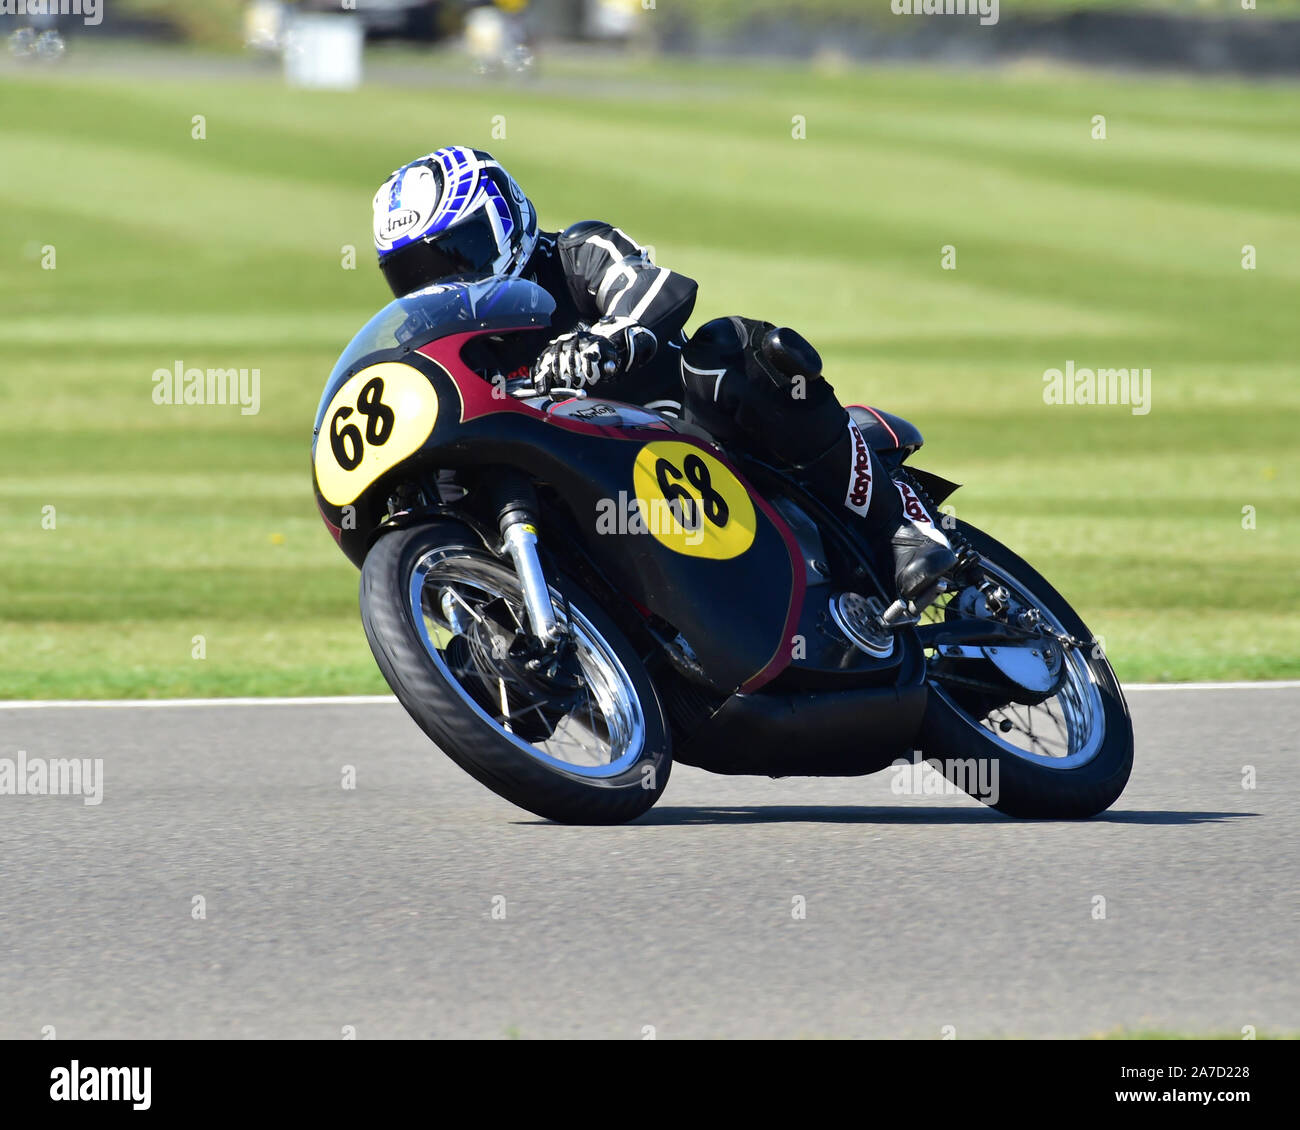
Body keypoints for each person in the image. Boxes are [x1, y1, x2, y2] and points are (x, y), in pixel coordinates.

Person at [372, 146, 954, 603]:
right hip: (604, 497)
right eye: (414, 273)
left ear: (504, 219)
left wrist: (607, 339)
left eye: (454, 254)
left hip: (698, 439)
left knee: (729, 347)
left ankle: (900, 527)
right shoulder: (457, 345)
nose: (439, 283)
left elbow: (656, 287)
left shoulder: (575, 252)